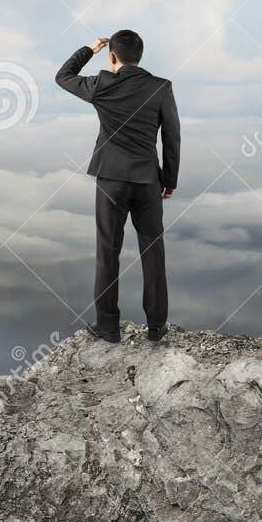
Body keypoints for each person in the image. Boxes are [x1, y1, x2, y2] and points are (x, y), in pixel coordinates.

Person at [54, 29, 180, 344]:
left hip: (111, 179)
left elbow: (63, 76)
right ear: (141, 55)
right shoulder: (161, 88)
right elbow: (172, 139)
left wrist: (89, 49)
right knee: (153, 251)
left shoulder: (101, 85)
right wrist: (170, 180)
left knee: (107, 251)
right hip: (148, 180)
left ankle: (108, 327)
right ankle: (156, 327)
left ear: (113, 56)